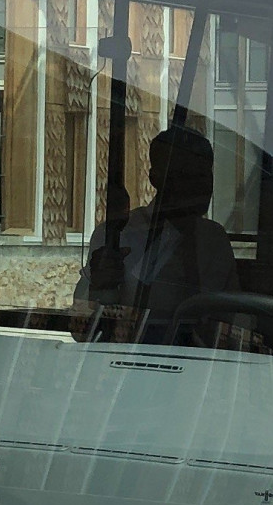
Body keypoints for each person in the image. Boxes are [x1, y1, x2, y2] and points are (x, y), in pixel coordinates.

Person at [73, 125, 239, 343]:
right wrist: (99, 287)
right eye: (183, 175)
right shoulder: (117, 235)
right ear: (155, 178)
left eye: (203, 174)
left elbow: (237, 320)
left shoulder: (215, 240)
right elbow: (82, 330)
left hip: (203, 365)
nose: (198, 186)